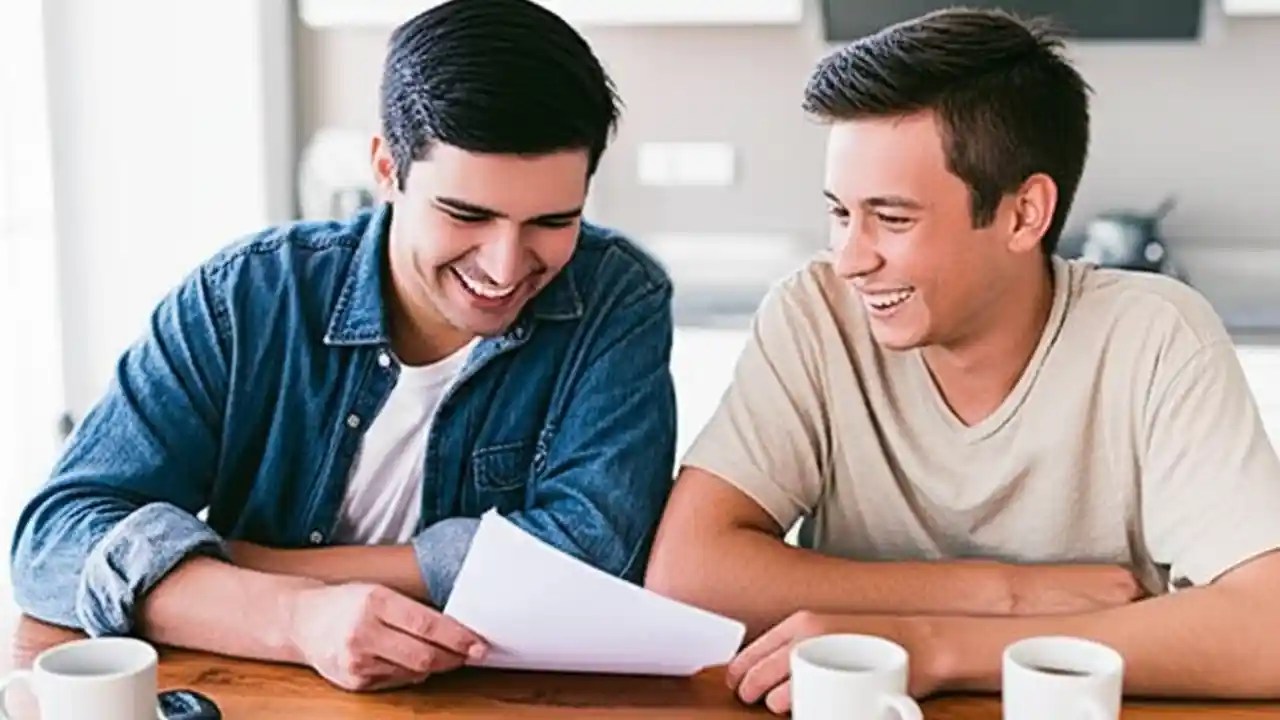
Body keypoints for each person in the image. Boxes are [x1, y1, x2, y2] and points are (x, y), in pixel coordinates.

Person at [12, 0, 677, 693]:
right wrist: (296, 618)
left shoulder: (617, 300)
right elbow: (53, 540)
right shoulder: (247, 297)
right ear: (386, 168)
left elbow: (597, 555)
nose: (507, 267)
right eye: (466, 215)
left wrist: (250, 568)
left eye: (551, 221)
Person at [645, 7, 1280, 714]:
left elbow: (1269, 628)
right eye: (839, 213)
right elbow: (687, 575)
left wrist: (931, 648)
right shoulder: (815, 316)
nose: (851, 259)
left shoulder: (1156, 337)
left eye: (892, 219)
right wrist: (1004, 595)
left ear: (1022, 215)